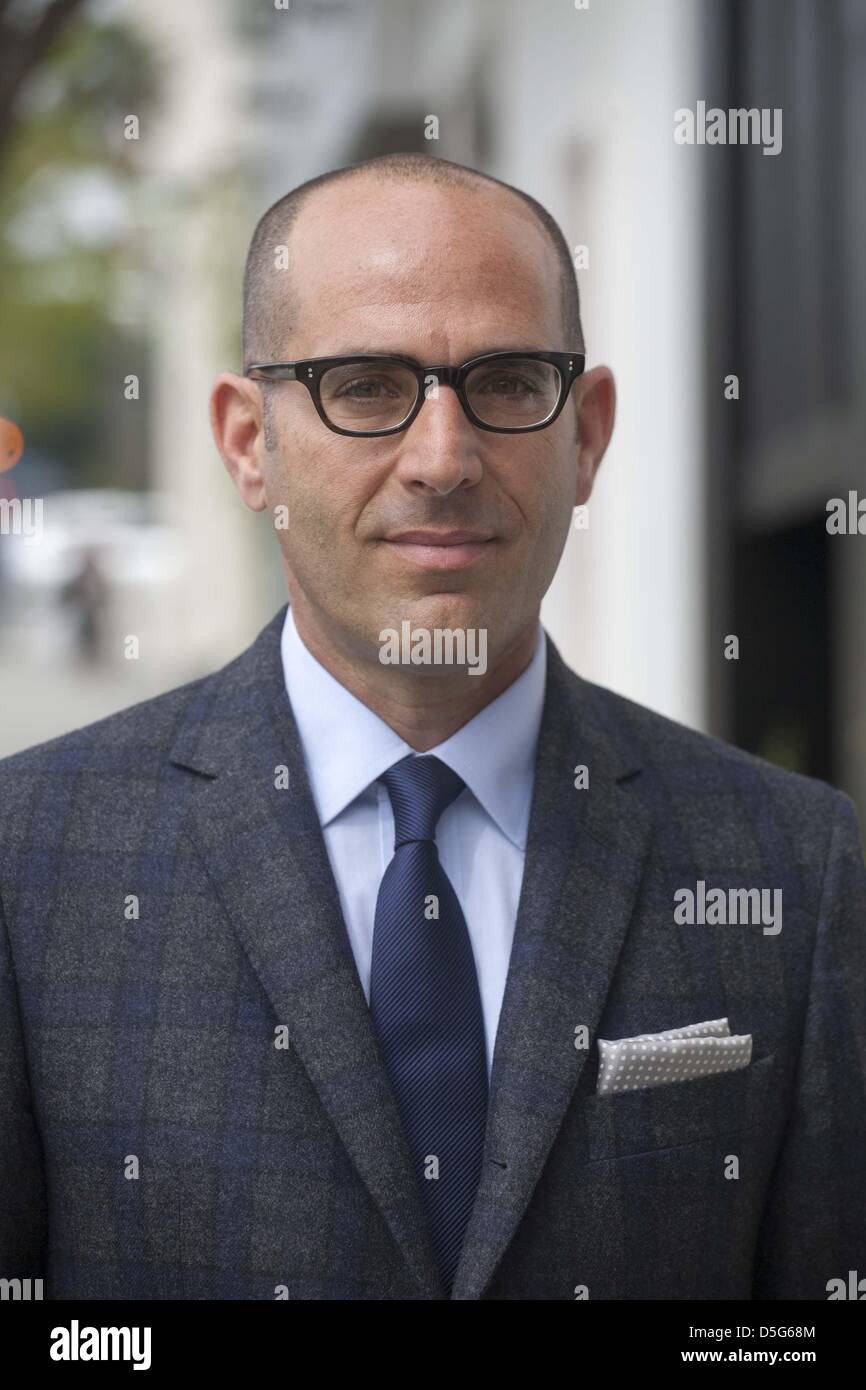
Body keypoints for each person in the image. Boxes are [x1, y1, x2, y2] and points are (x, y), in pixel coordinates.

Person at [1, 153, 863, 1301]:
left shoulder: (796, 871)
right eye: (364, 384)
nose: (442, 458)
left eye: (505, 382)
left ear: (587, 434)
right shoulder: (29, 862)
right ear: (250, 441)